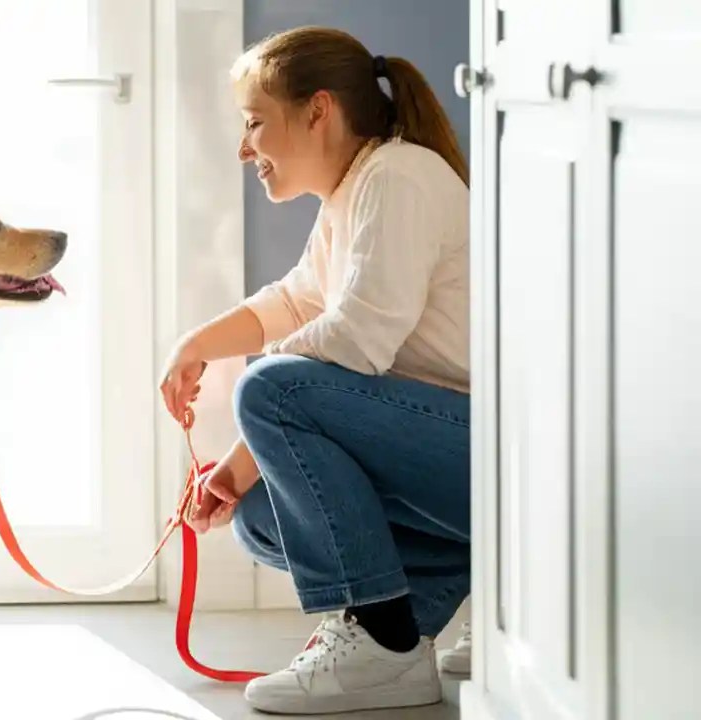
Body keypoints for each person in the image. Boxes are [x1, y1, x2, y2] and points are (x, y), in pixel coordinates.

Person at [160, 26, 472, 715]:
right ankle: (402, 631)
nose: (246, 149)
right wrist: (195, 344)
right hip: (445, 456)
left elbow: (358, 339)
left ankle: (382, 646)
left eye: (254, 124)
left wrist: (241, 456)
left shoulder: (398, 177)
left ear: (318, 110)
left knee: (272, 386)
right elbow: (299, 298)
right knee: (265, 516)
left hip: (487, 455)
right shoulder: (355, 189)